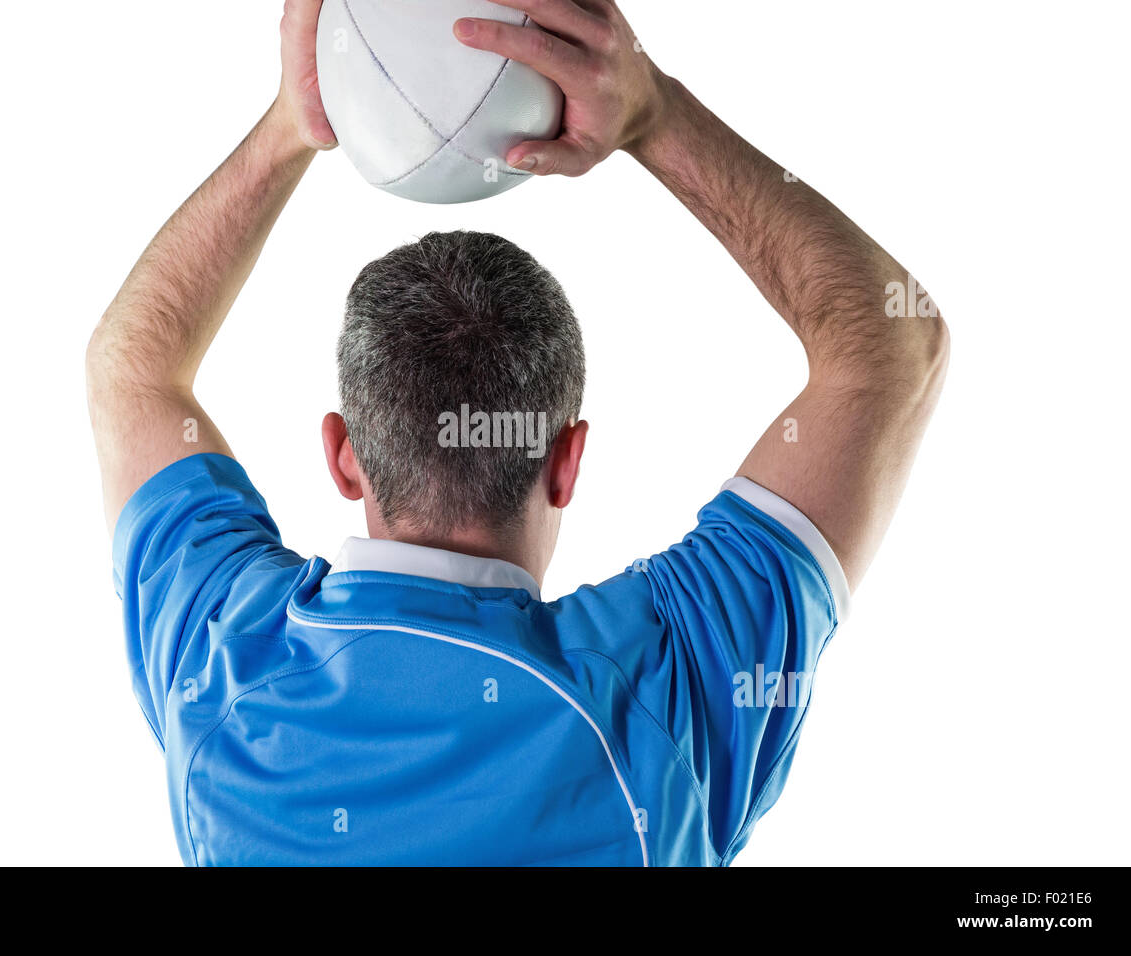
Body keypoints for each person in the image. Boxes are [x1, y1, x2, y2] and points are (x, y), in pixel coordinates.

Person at [86, 0, 949, 866]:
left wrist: (289, 125)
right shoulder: (666, 692)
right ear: (568, 462)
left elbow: (131, 370)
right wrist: (653, 116)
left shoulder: (223, 672)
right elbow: (891, 349)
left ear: (344, 455)